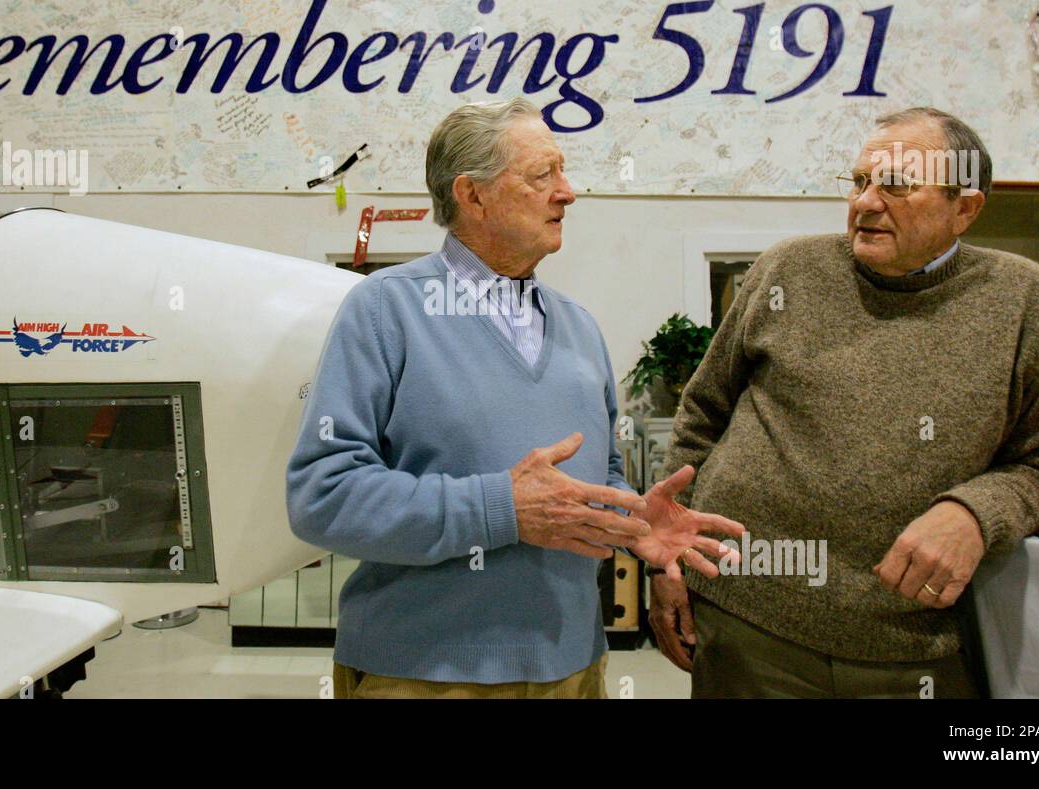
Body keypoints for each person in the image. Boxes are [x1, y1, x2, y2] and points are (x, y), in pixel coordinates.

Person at [288, 97, 743, 698]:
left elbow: (592, 481)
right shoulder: (384, 308)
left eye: (563, 171)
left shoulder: (578, 327)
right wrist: (500, 508)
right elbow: (322, 496)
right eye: (543, 175)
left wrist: (633, 522)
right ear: (472, 196)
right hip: (423, 675)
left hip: (574, 668)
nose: (568, 192)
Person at [649, 107, 1039, 698]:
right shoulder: (788, 269)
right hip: (746, 621)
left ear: (964, 208)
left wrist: (975, 512)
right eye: (859, 181)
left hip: (915, 648)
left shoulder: (1024, 300)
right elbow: (701, 417)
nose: (866, 203)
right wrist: (667, 562)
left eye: (896, 184)